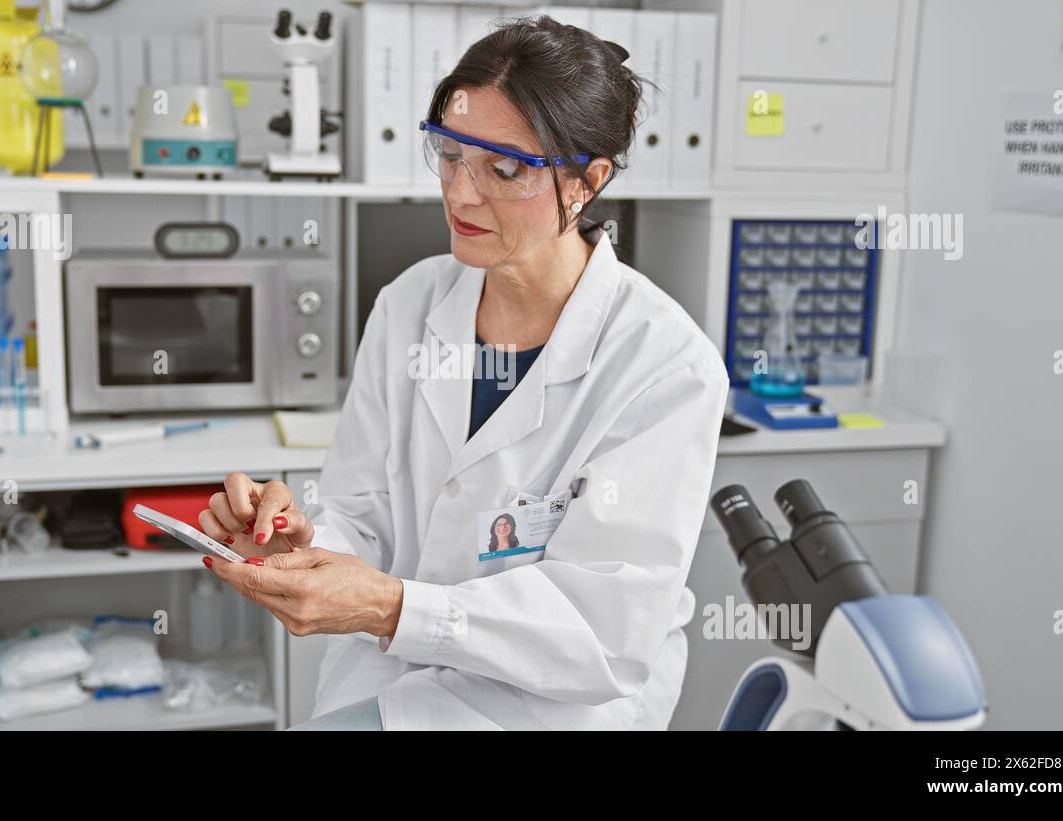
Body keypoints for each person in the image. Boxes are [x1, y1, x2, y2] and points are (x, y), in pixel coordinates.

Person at [198, 15, 729, 730]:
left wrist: (391, 606)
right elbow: (360, 513)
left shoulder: (665, 363)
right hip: (387, 682)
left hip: (545, 712)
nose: (462, 192)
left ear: (587, 180)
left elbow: (604, 629)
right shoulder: (408, 305)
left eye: (504, 169)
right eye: (450, 154)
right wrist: (299, 540)